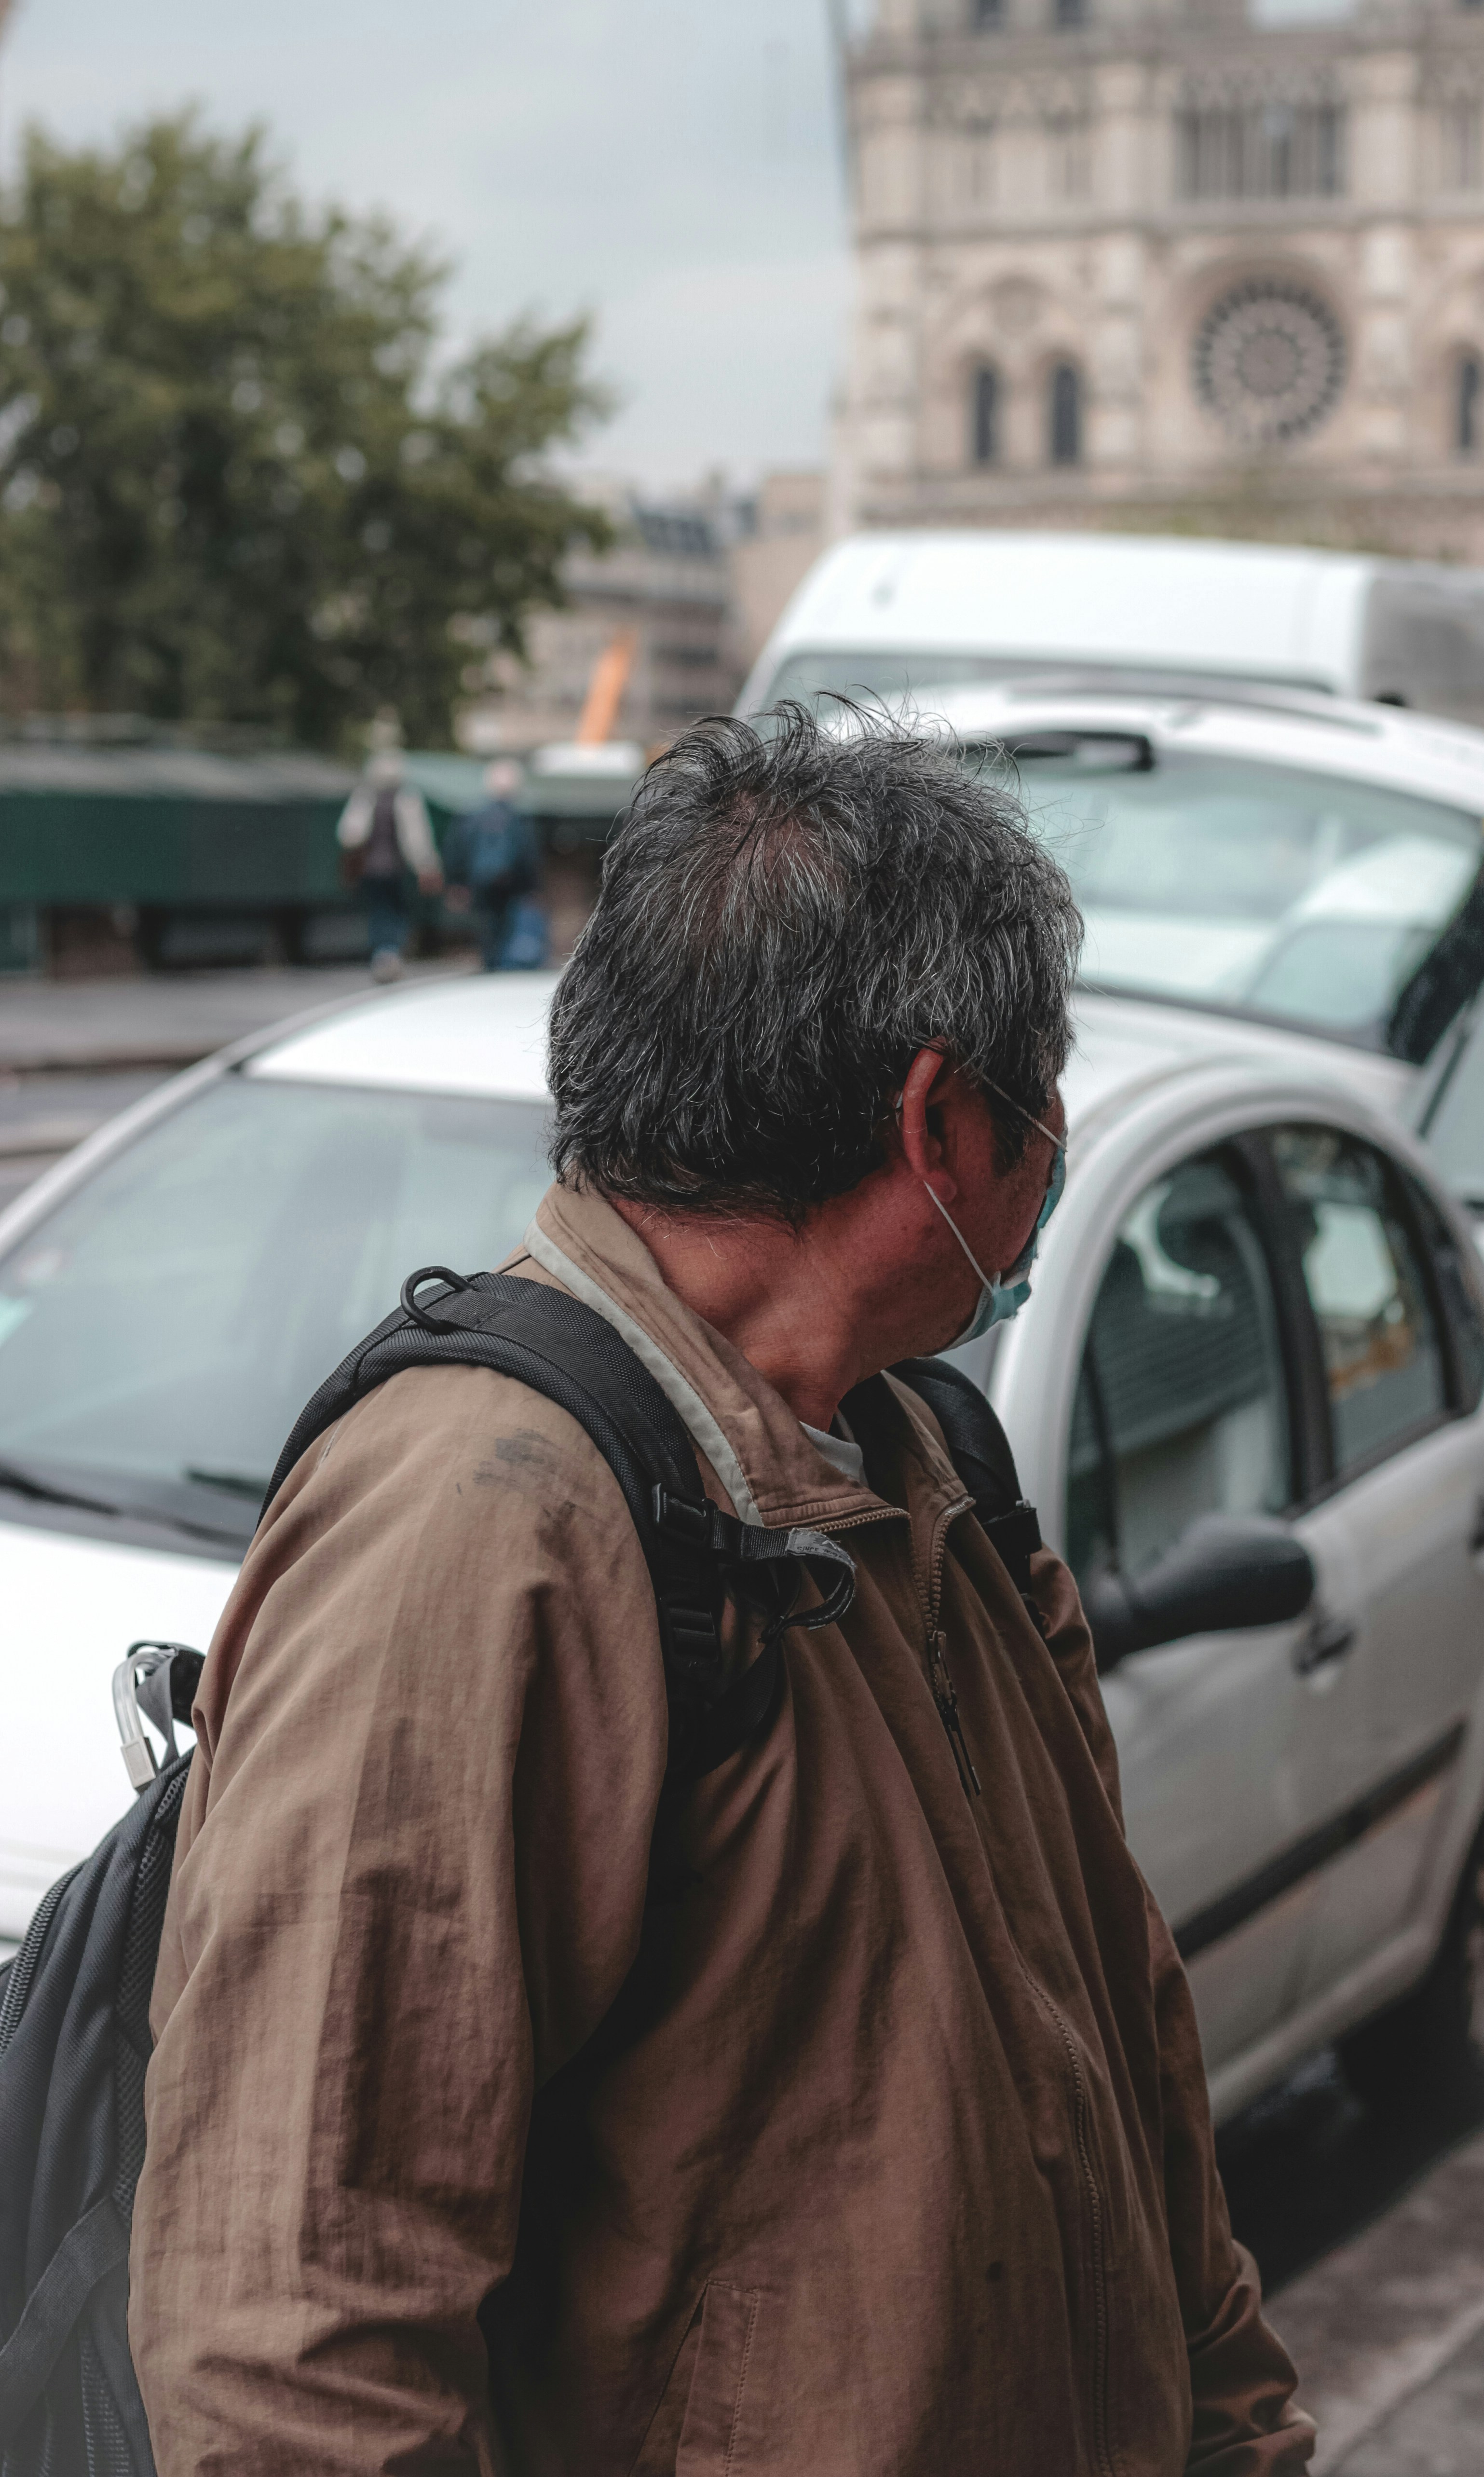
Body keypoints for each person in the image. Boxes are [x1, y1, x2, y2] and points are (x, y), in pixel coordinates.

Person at [130, 707, 1314, 2476]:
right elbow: (297, 2343)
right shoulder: (479, 1528)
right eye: (1042, 1091)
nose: (1057, 1142)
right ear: (936, 1120)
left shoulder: (928, 1464)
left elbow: (1131, 2081)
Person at [337, 746, 443, 981]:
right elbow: (418, 838)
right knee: (396, 911)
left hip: (372, 869)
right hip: (396, 869)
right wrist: (427, 865)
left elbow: (348, 834)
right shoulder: (407, 798)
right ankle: (391, 953)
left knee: (380, 911)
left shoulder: (366, 796)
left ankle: (382, 955)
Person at [444, 756, 546, 971]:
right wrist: (533, 887)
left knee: (487, 922)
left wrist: (457, 882)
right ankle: (502, 963)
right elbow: (528, 854)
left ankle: (490, 962)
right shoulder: (518, 817)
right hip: (511, 882)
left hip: (480, 879)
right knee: (507, 922)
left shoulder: (471, 816)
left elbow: (456, 849)